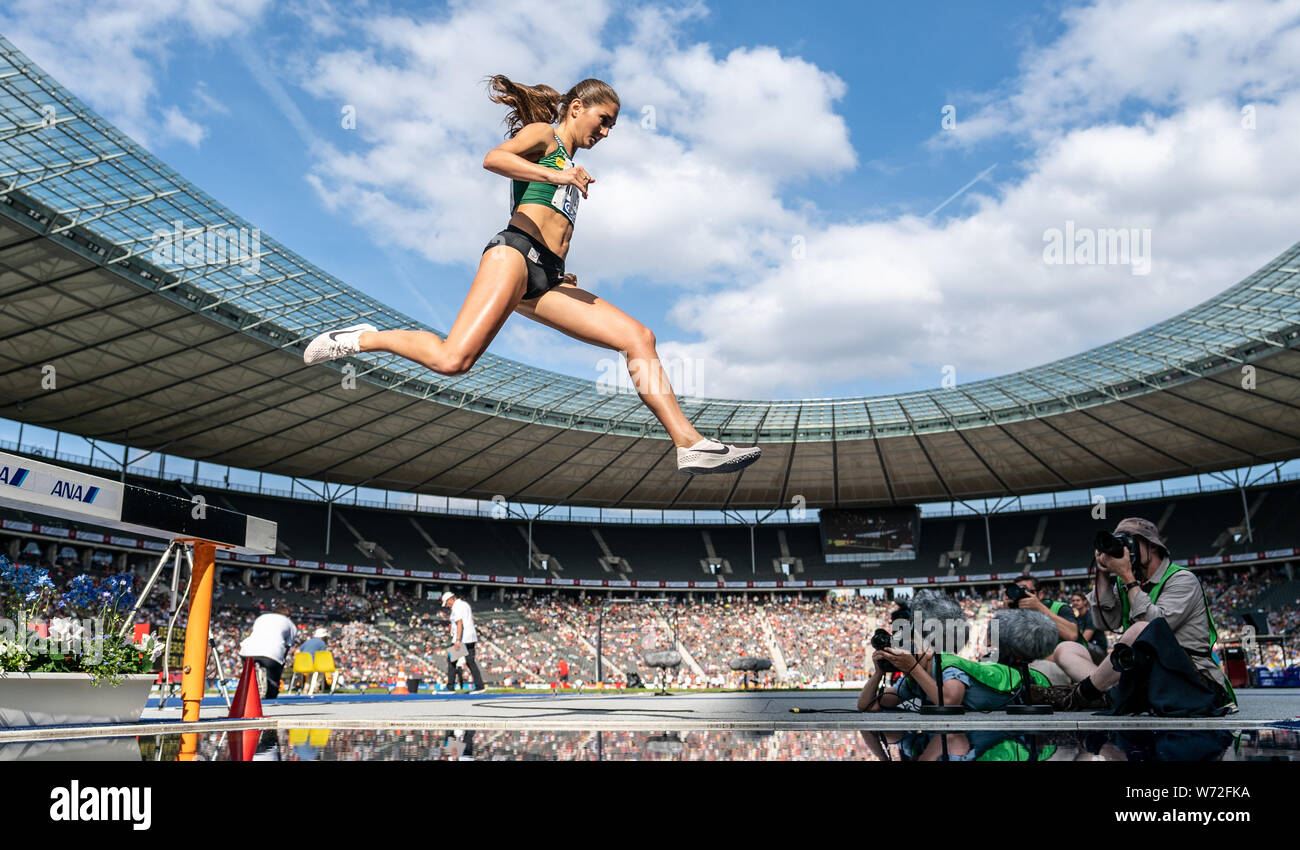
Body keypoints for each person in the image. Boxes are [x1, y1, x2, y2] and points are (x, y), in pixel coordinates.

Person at [302, 75, 760, 476]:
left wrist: (559, 269)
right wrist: (559, 176)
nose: (605, 132)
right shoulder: (546, 138)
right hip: (512, 257)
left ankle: (689, 444)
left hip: (547, 277)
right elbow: (493, 159)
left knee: (639, 337)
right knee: (452, 362)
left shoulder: (573, 166)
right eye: (602, 120)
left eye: (612, 127)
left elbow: (555, 229)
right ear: (576, 108)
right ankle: (364, 338)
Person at [1051, 517, 1235, 712]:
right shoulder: (1125, 582)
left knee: (1141, 629)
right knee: (1066, 650)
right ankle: (1107, 694)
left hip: (1190, 676)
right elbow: (1105, 623)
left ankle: (1081, 695)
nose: (1124, 550)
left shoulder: (1182, 579)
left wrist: (1129, 579)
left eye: (1129, 542)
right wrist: (1103, 575)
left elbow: (1153, 629)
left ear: (1153, 546)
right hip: (1143, 669)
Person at [239, 606, 296, 699]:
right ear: (288, 617)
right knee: (271, 693)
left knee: (250, 675)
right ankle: (267, 680)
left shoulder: (261, 618)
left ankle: (254, 679)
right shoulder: (290, 624)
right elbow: (287, 646)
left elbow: (252, 634)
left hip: (247, 651)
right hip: (272, 654)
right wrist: (281, 663)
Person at [443, 590, 485, 694]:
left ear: (450, 599)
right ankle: (480, 686)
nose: (447, 606)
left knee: (451, 661)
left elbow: (460, 623)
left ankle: (450, 687)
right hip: (470, 637)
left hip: (462, 638)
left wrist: (457, 640)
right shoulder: (465, 604)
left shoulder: (456, 607)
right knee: (471, 662)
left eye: (447, 603)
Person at [1070, 591, 1108, 663]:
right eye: (1073, 601)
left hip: (1098, 648)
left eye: (1078, 600)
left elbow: (1085, 639)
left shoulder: (1091, 616)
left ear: (1084, 602)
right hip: (1088, 646)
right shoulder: (1077, 618)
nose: (1075, 602)